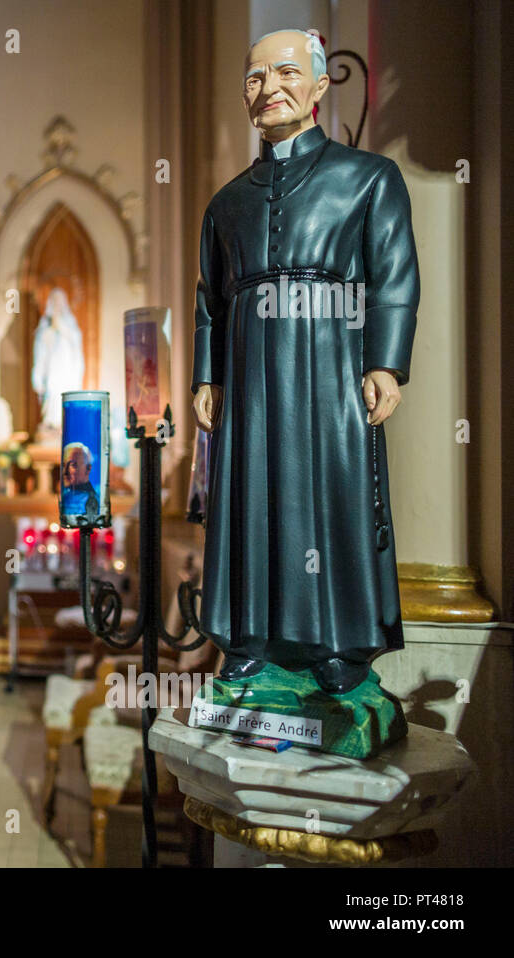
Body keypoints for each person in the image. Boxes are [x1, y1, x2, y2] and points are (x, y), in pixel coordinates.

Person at [192, 29, 419, 695]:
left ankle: (339, 643)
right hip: (251, 375)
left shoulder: (368, 178)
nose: (269, 88)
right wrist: (209, 376)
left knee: (333, 496)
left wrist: (385, 362)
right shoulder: (225, 203)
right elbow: (210, 298)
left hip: (330, 367)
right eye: (255, 77)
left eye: (286, 73)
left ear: (320, 86)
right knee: (251, 496)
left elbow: (394, 277)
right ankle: (251, 637)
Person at [30, 288, 83, 434]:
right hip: (52, 369)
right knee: (52, 393)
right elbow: (40, 351)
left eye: (60, 301)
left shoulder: (70, 323)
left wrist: (61, 328)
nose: (57, 304)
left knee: (65, 394)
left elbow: (76, 344)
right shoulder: (45, 325)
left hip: (67, 369)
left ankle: (63, 425)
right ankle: (51, 424)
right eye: (55, 301)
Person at [62, 441, 99, 519]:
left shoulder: (92, 501)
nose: (65, 472)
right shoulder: (66, 496)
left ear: (88, 468)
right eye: (64, 465)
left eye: (72, 465)